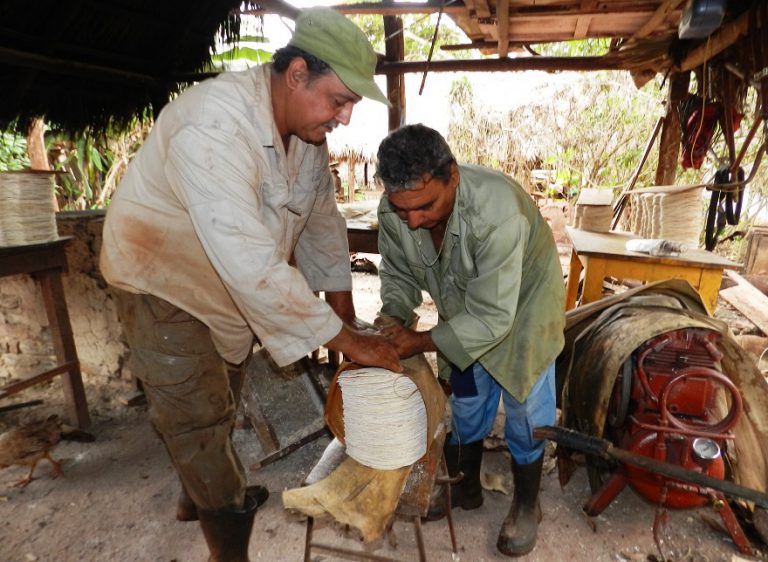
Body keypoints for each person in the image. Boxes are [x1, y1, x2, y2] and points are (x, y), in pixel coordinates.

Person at [99, 8, 401, 562]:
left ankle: (201, 494)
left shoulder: (305, 137)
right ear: (296, 74)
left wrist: (346, 317)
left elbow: (322, 222)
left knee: (223, 396)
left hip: (225, 283)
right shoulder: (215, 125)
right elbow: (249, 260)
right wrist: (350, 342)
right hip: (161, 278)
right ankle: (227, 544)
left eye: (351, 105)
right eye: (339, 100)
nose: (345, 118)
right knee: (197, 408)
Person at [373, 124, 565, 557]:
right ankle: (464, 488)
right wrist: (392, 321)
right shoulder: (396, 210)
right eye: (404, 212)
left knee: (525, 406)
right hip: (464, 308)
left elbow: (495, 316)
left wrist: (417, 342)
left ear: (453, 176)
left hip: (524, 306)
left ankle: (526, 503)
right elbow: (400, 275)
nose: (415, 220)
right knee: (466, 399)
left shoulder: (498, 212)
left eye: (425, 207)